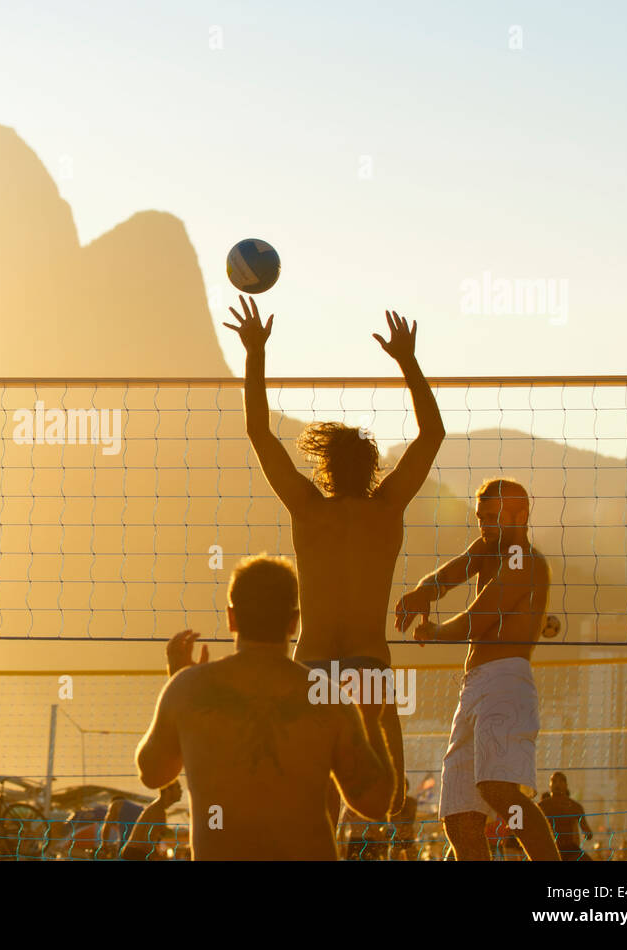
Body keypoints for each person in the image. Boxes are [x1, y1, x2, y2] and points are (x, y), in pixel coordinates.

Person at [225, 300, 443, 819]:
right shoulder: (387, 508)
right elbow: (432, 434)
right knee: (385, 801)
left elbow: (258, 431)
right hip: (368, 668)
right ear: (371, 468)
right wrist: (408, 361)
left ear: (323, 468)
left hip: (313, 667)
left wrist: (256, 354)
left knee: (312, 803)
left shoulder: (306, 508)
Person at [136, 554, 396, 859]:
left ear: (232, 617)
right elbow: (375, 803)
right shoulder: (328, 698)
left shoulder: (188, 689)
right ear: (293, 621)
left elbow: (153, 774)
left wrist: (177, 686)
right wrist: (370, 719)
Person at [400, 478, 560, 861]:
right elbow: (447, 576)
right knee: (457, 815)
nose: (485, 525)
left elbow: (478, 618)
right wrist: (421, 592)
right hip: (473, 687)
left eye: (493, 517)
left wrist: (434, 632)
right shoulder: (487, 548)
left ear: (521, 516)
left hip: (506, 683)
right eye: (480, 517)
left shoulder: (526, 561)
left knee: (500, 792)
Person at [538, 772, 593, 861]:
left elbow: (587, 833)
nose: (557, 784)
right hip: (549, 849)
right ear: (550, 785)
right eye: (554, 781)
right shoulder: (542, 806)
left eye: (561, 781)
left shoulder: (575, 807)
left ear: (566, 785)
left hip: (569, 851)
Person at [120, 782, 182, 861]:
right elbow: (148, 841)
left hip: (134, 853)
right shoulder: (158, 810)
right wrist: (159, 857)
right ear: (167, 790)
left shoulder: (159, 809)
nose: (181, 791)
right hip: (136, 854)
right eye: (178, 788)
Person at [389, 777, 419, 860]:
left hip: (407, 834)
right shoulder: (392, 802)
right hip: (396, 834)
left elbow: (409, 817)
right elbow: (393, 819)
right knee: (394, 855)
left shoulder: (411, 802)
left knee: (411, 856)